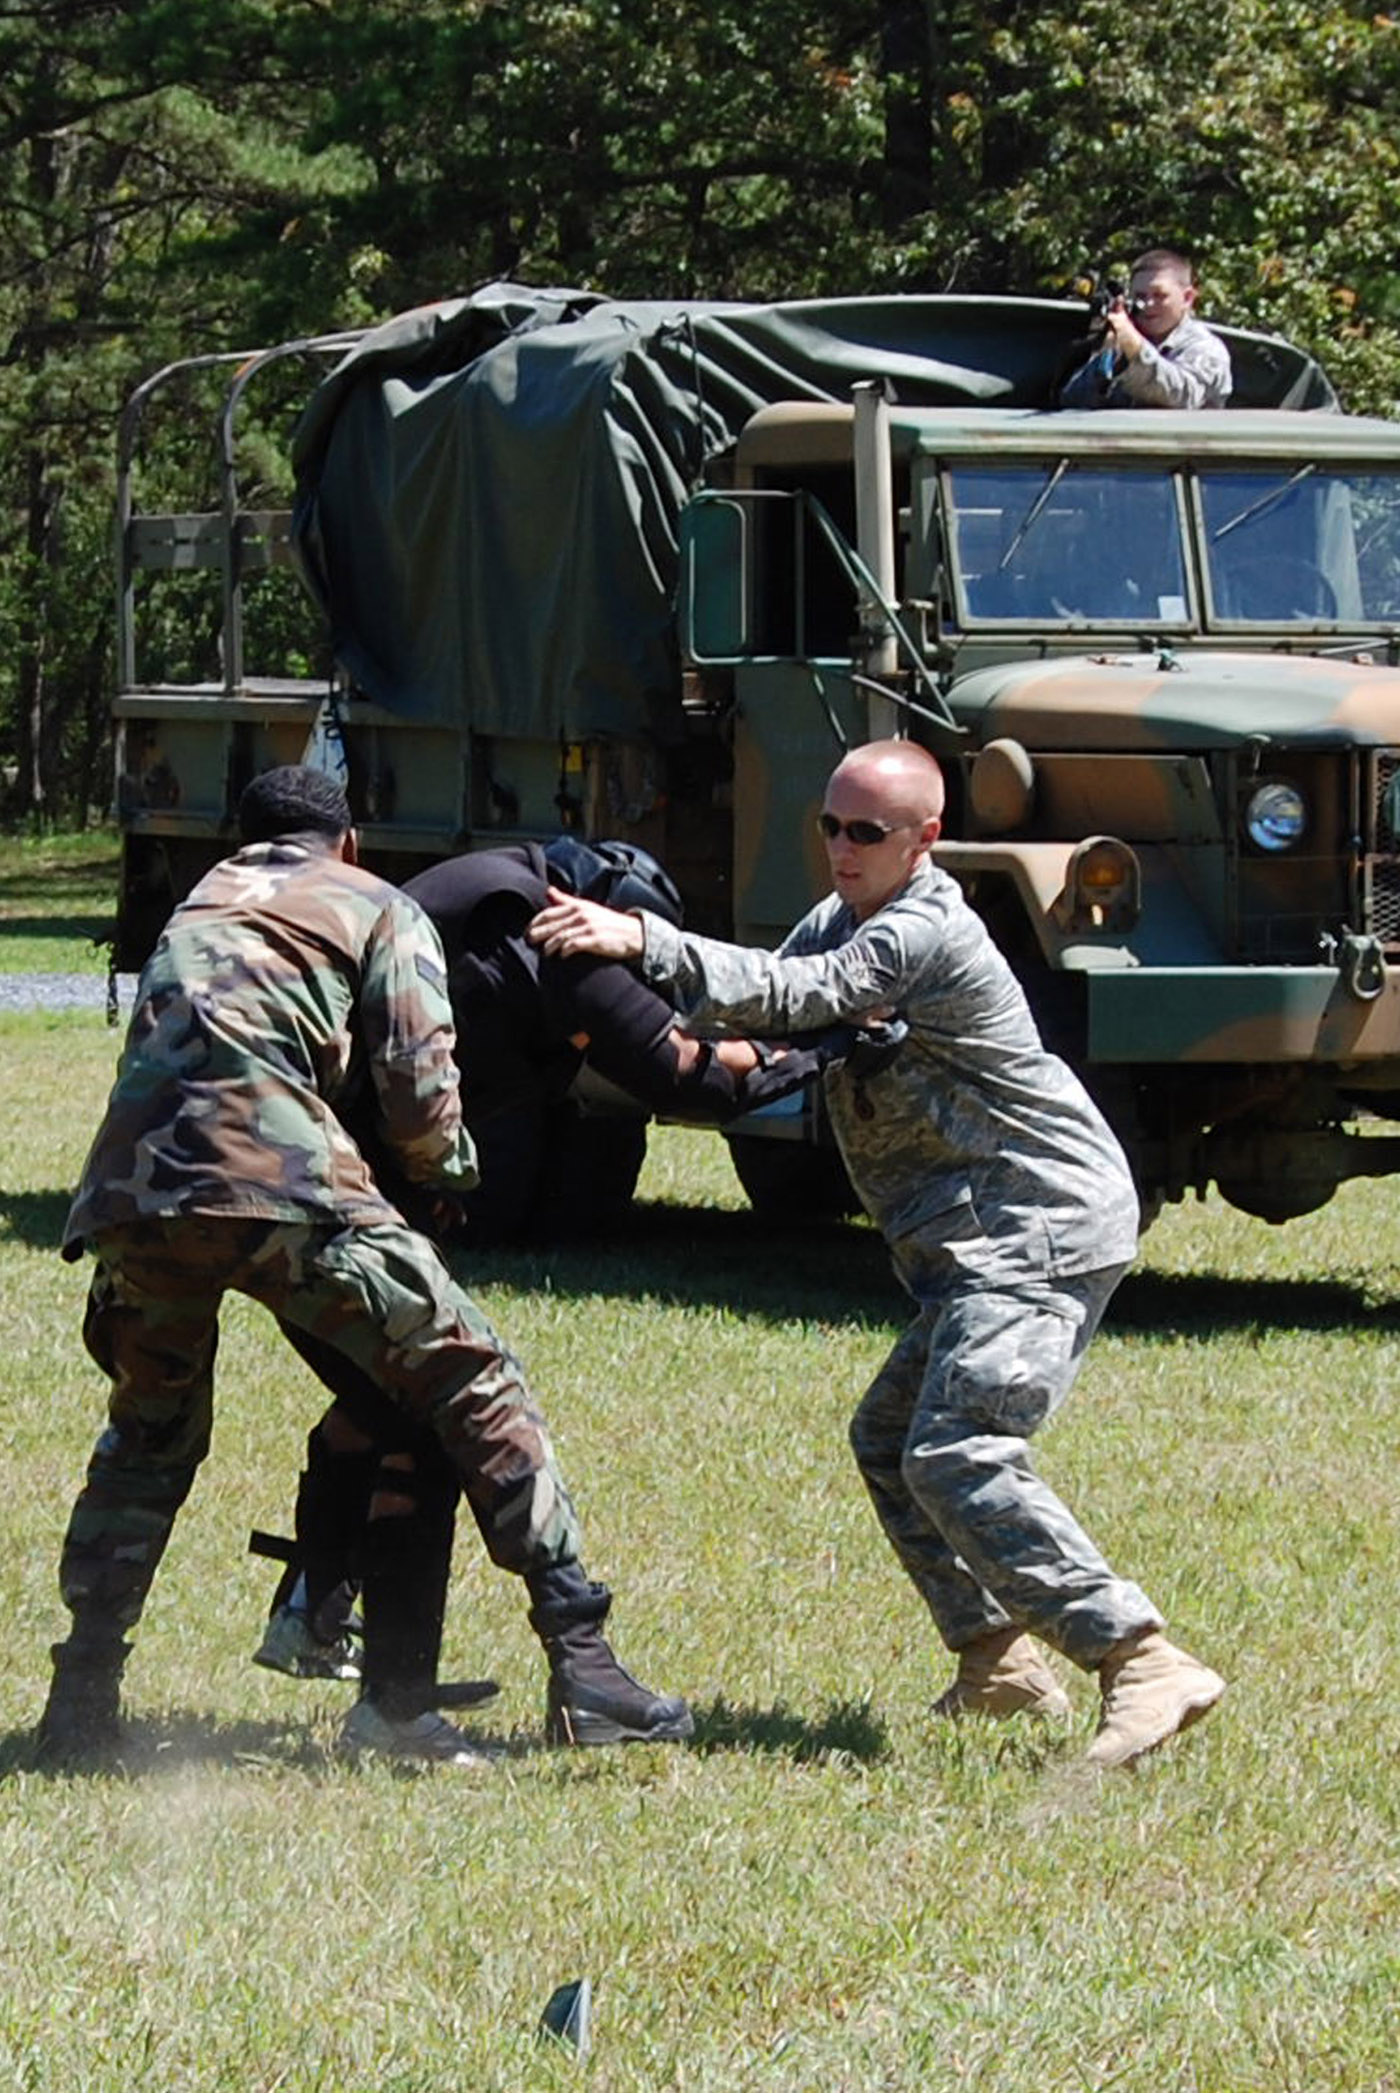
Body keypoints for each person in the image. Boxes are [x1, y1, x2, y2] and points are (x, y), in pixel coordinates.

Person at [530, 739, 1226, 1769]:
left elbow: (799, 991)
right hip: (970, 1242)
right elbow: (763, 1007)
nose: (841, 847)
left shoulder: (924, 930)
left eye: (867, 831)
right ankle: (995, 1658)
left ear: (924, 839)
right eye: (830, 825)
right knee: (889, 1436)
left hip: (1036, 1223)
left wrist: (641, 935)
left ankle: (1138, 1656)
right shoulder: (838, 919)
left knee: (959, 1449)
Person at [36, 765, 692, 1769]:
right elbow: (421, 1093)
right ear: (346, 843)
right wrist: (445, 1177)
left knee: (148, 1438)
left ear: (243, 840)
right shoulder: (374, 902)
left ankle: (81, 1699)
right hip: (285, 1184)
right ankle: (584, 1660)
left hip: (132, 1198)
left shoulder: (197, 905)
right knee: (473, 1380)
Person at [252, 833, 829, 1695]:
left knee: (382, 1395)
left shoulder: (465, 892)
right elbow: (687, 1078)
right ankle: (516, 1676)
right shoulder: (548, 925)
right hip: (323, 1192)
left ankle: (315, 1612)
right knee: (449, 1401)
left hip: (276, 1172)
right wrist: (821, 1047)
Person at [1059, 248, 1232, 411]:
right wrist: (1109, 357)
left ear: (1187, 298)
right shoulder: (1122, 339)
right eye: (1140, 296)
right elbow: (1071, 399)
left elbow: (1182, 396)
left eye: (1160, 295)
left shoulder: (1206, 348)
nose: (1148, 304)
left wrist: (1136, 350)